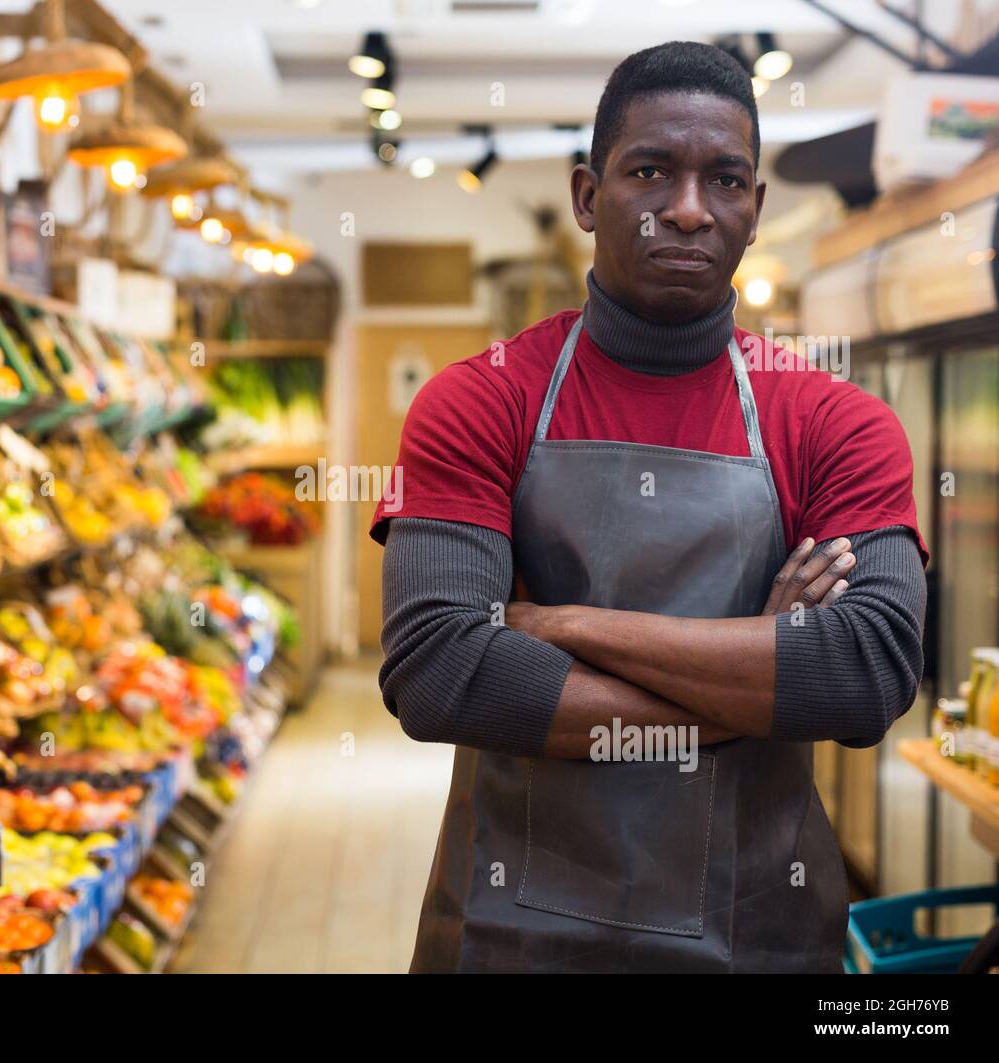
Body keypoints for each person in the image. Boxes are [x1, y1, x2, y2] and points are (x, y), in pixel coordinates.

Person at [372, 40, 927, 973]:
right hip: (510, 938)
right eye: (650, 171)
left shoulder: (838, 421)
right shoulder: (482, 400)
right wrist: (759, 673)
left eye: (726, 179)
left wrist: (559, 623)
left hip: (761, 935)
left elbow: (868, 672)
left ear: (755, 210)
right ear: (590, 195)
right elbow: (438, 671)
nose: (687, 208)